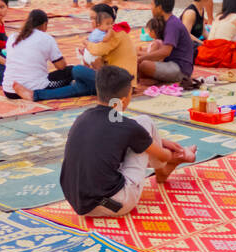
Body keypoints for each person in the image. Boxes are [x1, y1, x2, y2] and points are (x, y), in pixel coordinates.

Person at [58, 65, 197, 218]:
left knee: (139, 128)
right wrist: (181, 153)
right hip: (115, 203)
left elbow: (119, 133)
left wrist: (159, 141)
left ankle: (162, 169)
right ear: (123, 101)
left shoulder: (83, 117)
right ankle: (163, 172)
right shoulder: (129, 128)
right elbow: (163, 156)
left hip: (77, 203)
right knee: (145, 122)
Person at [2, 8, 96, 101]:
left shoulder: (13, 36)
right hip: (35, 86)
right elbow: (61, 66)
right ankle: (36, 95)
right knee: (73, 72)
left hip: (8, 89)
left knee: (80, 80)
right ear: (45, 24)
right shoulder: (45, 38)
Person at [137, 0, 196, 85]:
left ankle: (157, 80)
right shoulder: (168, 22)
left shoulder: (172, 24)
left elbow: (165, 52)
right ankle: (155, 79)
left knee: (143, 65)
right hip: (172, 64)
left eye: (152, 5)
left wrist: (141, 58)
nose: (150, 8)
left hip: (180, 69)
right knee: (139, 60)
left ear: (159, 8)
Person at [81, 3, 138, 76]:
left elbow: (97, 50)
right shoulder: (108, 31)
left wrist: (86, 43)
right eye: (90, 18)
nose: (91, 21)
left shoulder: (113, 33)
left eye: (94, 18)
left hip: (121, 79)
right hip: (119, 74)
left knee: (78, 70)